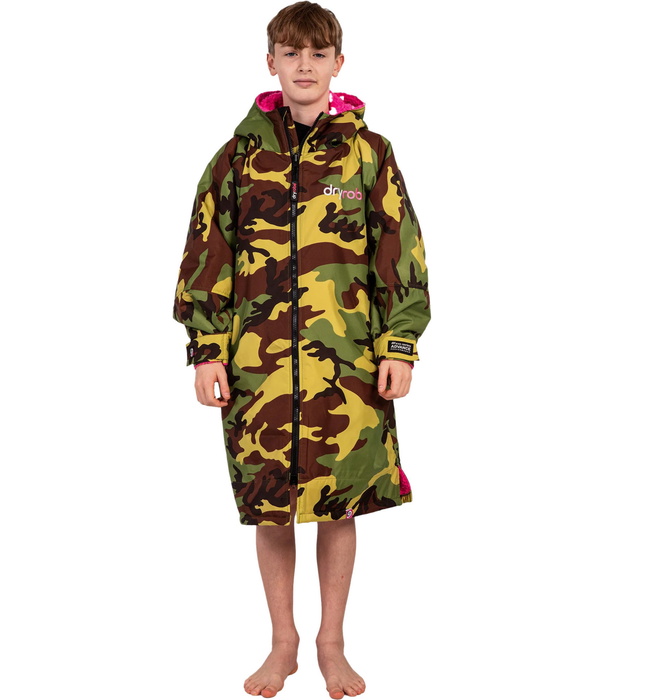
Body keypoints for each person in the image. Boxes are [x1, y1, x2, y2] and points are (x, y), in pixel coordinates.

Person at [172, 2, 431, 697]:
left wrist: (399, 344)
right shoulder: (236, 158)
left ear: (338, 64)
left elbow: (400, 252)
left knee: (340, 504)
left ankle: (330, 641)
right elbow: (207, 253)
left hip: (347, 364)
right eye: (292, 53)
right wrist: (206, 349)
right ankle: (282, 640)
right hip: (257, 369)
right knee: (271, 505)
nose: (305, 65)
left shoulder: (369, 154)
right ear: (272, 63)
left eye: (318, 54)